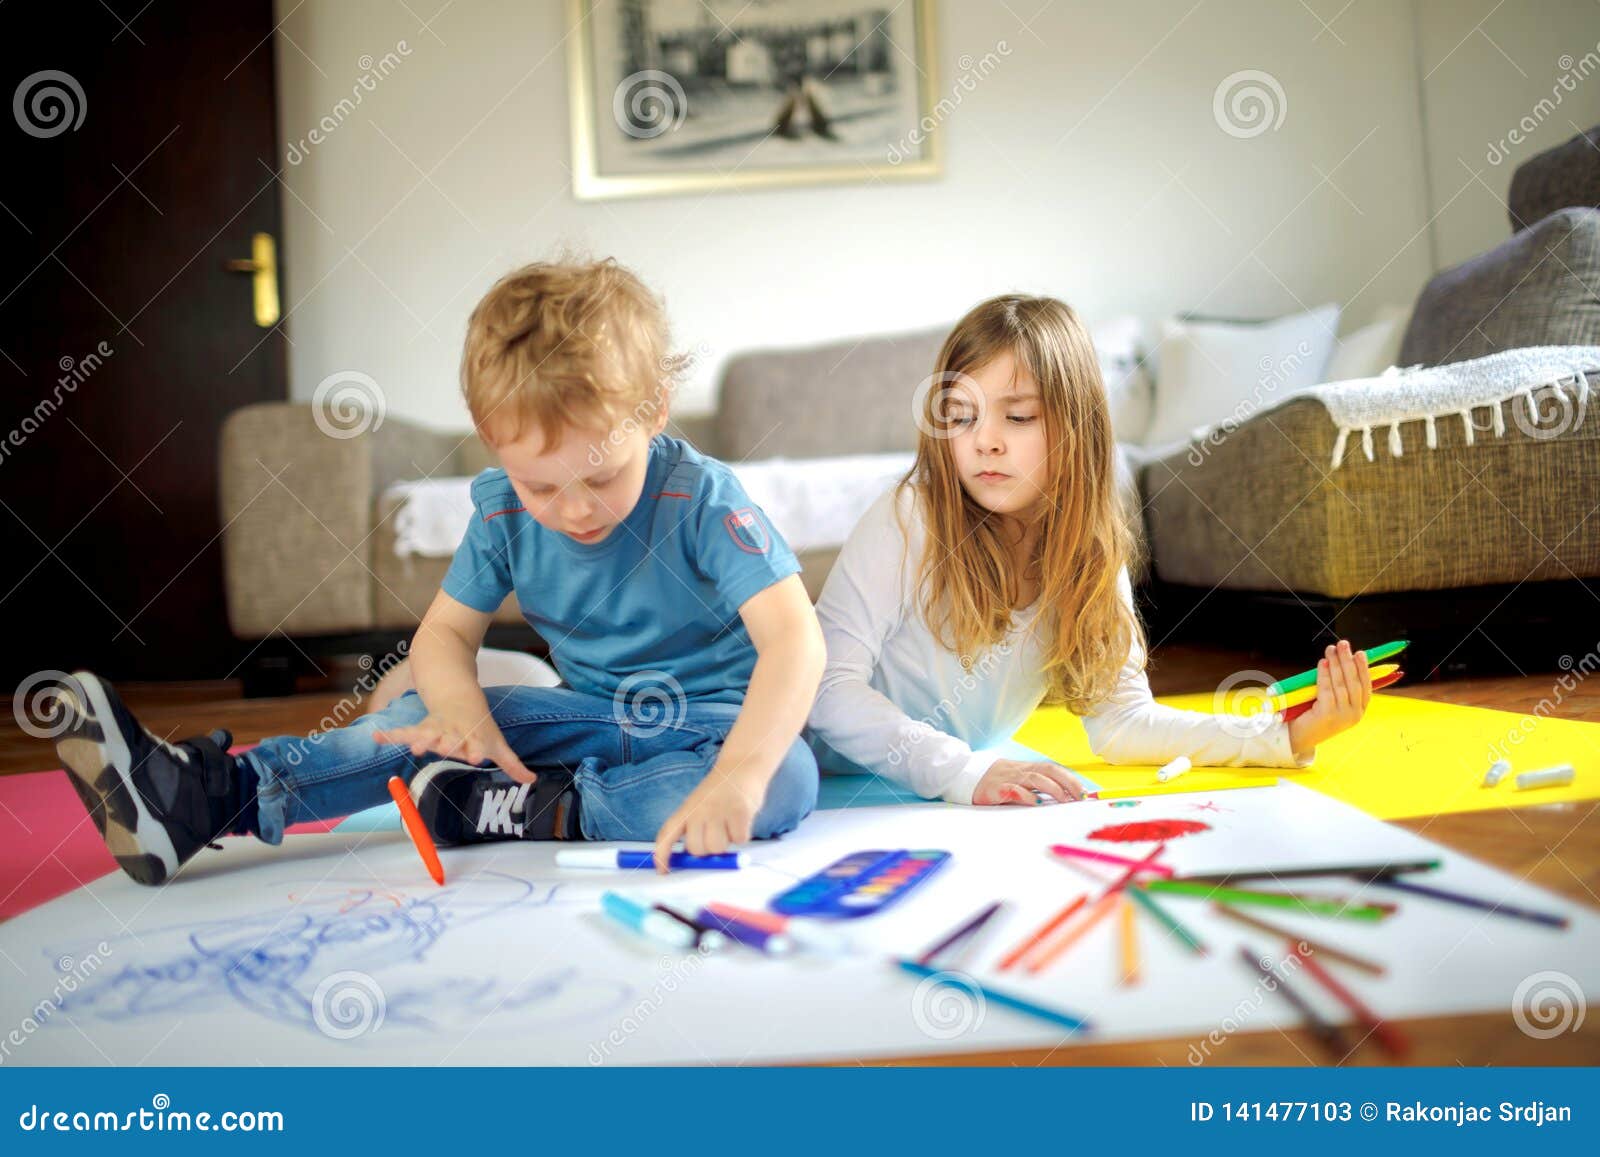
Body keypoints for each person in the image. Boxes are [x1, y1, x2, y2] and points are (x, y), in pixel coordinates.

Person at [52, 258, 825, 884]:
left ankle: (514, 808)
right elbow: (444, 637)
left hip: (713, 727)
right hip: (586, 717)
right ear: (492, 442)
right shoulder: (501, 512)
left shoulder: (701, 499)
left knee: (786, 777)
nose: (574, 509)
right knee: (424, 713)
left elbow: (795, 639)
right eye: (542, 485)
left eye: (601, 476)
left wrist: (739, 775)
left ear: (655, 411)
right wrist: (462, 713)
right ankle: (206, 794)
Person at [806, 294, 1372, 806]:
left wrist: (1285, 735)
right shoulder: (911, 516)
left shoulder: (1086, 551)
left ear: (1076, 426)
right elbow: (826, 688)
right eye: (961, 417)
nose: (985, 441)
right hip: (787, 742)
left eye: (1018, 417)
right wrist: (963, 770)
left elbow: (1124, 722)